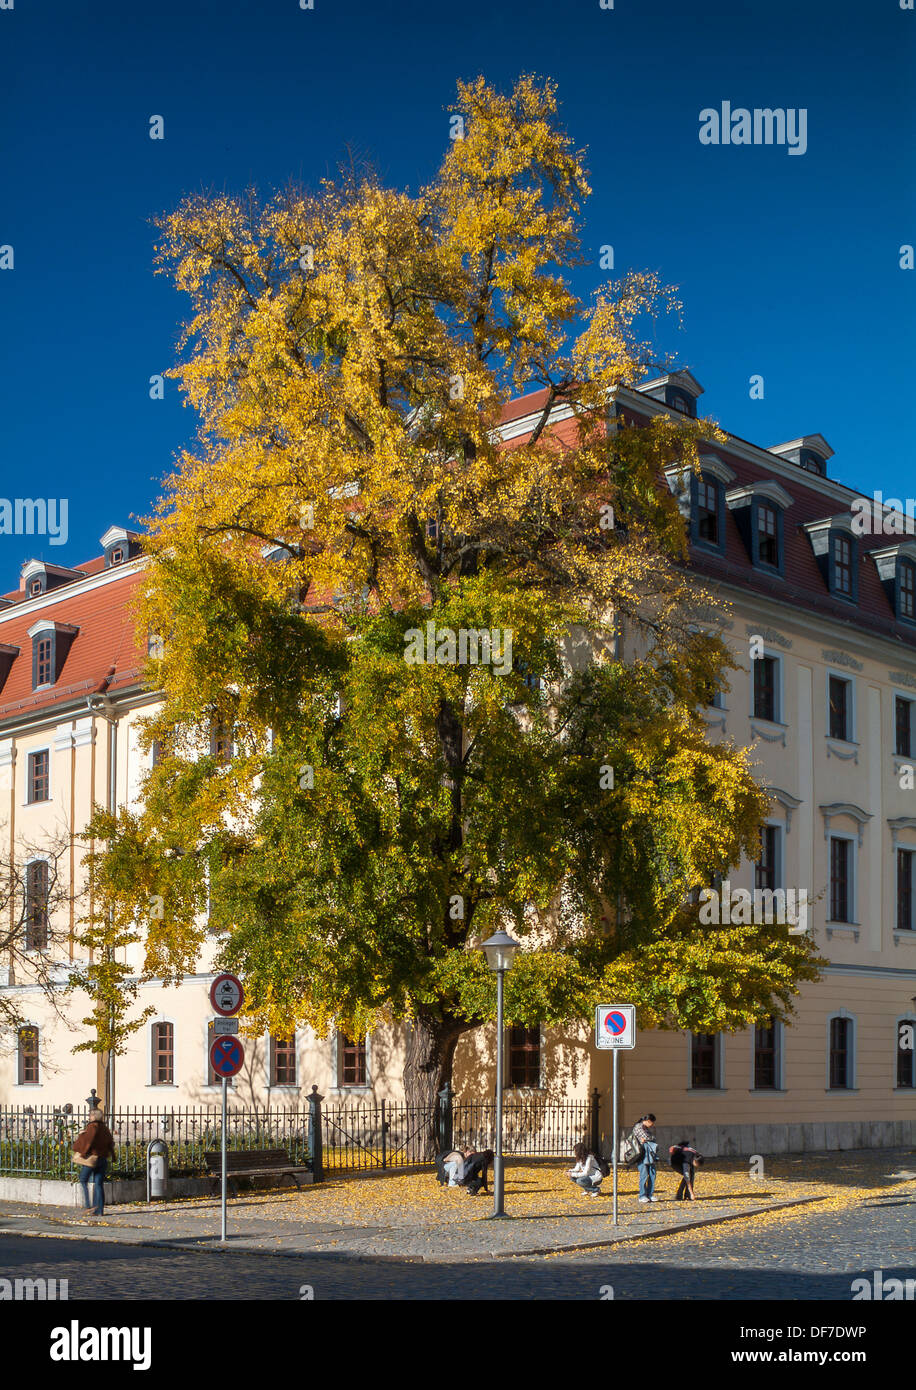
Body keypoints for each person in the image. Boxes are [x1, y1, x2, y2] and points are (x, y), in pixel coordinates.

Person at [72, 1107, 115, 1219]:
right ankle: (99, 1210)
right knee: (98, 1184)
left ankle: (88, 1205)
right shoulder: (105, 1128)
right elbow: (111, 1143)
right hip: (103, 1159)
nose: (89, 1117)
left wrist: (82, 1152)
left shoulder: (92, 1126)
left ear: (93, 1116)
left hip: (92, 1158)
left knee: (83, 1180)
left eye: (90, 1115)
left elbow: (88, 1140)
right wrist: (113, 1156)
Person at [632, 1113, 659, 1203]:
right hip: (642, 1154)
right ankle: (642, 1195)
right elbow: (647, 1137)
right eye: (652, 1123)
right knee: (644, 1175)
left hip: (649, 1154)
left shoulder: (645, 1128)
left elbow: (651, 1138)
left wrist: (648, 1139)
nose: (652, 1125)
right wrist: (649, 1139)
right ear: (648, 1121)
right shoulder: (639, 1127)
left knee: (652, 1173)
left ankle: (649, 1194)